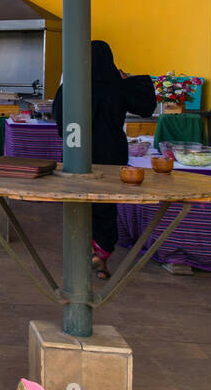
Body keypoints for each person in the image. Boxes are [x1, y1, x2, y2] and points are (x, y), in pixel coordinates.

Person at [53, 40, 156, 280]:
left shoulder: (73, 85)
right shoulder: (117, 86)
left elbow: (59, 119)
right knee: (105, 205)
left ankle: (82, 256)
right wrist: (128, 80)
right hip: (112, 153)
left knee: (79, 203)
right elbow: (146, 106)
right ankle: (102, 258)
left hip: (78, 151)